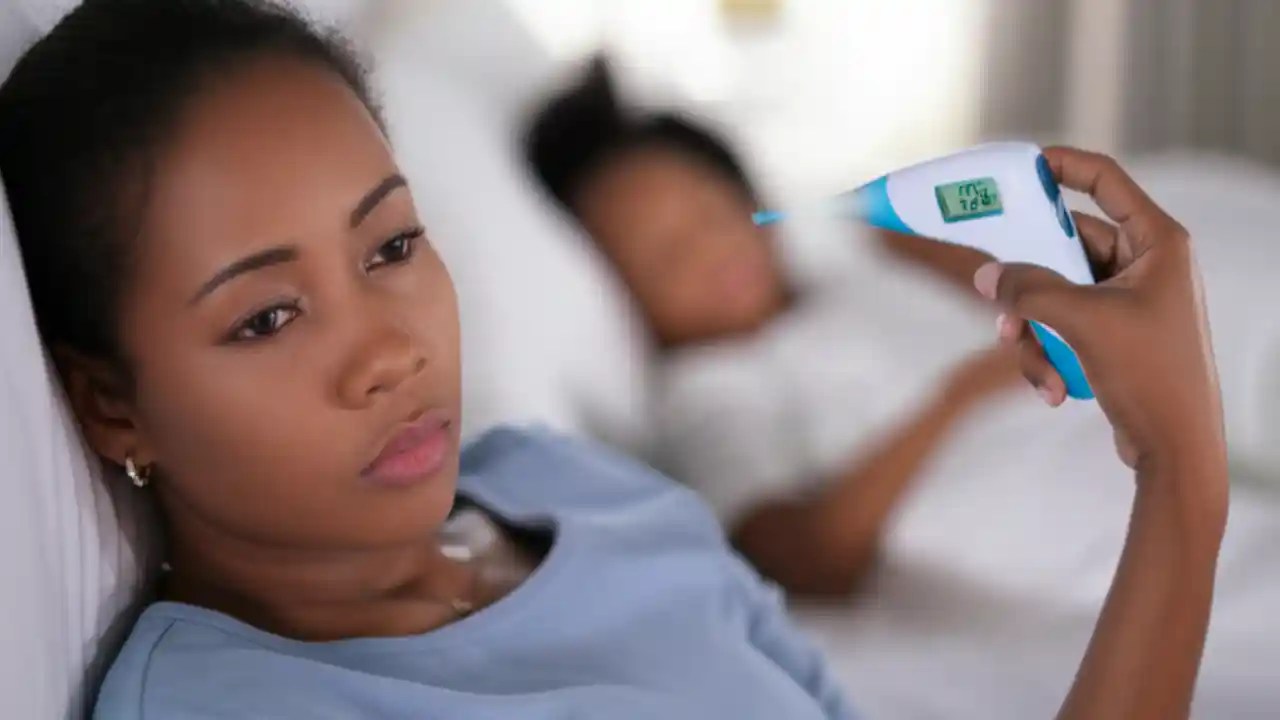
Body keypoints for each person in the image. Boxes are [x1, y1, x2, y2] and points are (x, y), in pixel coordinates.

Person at [0, 1, 1226, 718]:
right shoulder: (241, 707)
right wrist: (1179, 476)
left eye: (391, 246)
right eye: (267, 317)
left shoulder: (579, 485)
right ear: (112, 404)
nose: (387, 348)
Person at [527, 60, 1028, 595]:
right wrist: (962, 394)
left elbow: (1022, 279)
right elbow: (810, 559)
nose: (712, 254)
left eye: (709, 214)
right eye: (668, 257)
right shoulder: (709, 392)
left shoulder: (851, 252)